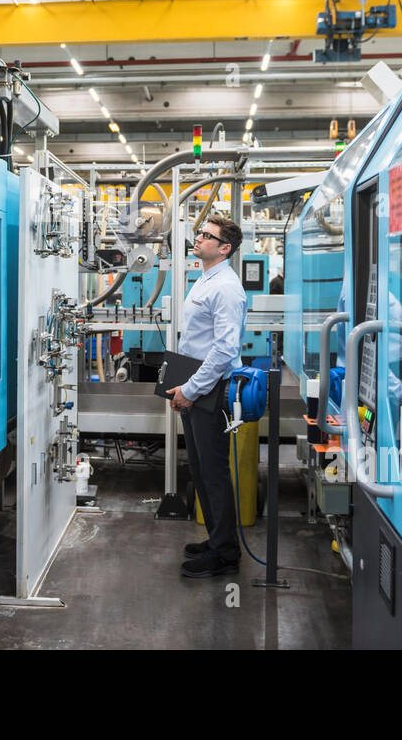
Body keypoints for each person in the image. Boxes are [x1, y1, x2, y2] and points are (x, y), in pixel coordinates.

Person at [166, 214, 248, 578]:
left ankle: (226, 553)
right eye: (200, 233)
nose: (198, 238)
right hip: (196, 383)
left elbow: (224, 350)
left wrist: (191, 389)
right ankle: (217, 539)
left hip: (210, 389)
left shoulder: (226, 287)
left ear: (225, 247)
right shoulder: (206, 279)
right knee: (200, 470)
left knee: (214, 473)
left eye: (206, 235)